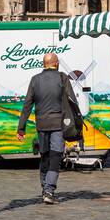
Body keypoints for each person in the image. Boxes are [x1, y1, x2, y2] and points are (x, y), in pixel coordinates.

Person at [17, 52, 71, 203]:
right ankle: (49, 190)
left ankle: (45, 188)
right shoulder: (62, 78)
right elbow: (72, 101)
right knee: (55, 156)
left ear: (44, 64)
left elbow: (27, 104)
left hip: (41, 125)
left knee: (45, 156)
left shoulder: (35, 80)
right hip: (58, 125)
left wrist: (21, 128)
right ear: (56, 63)